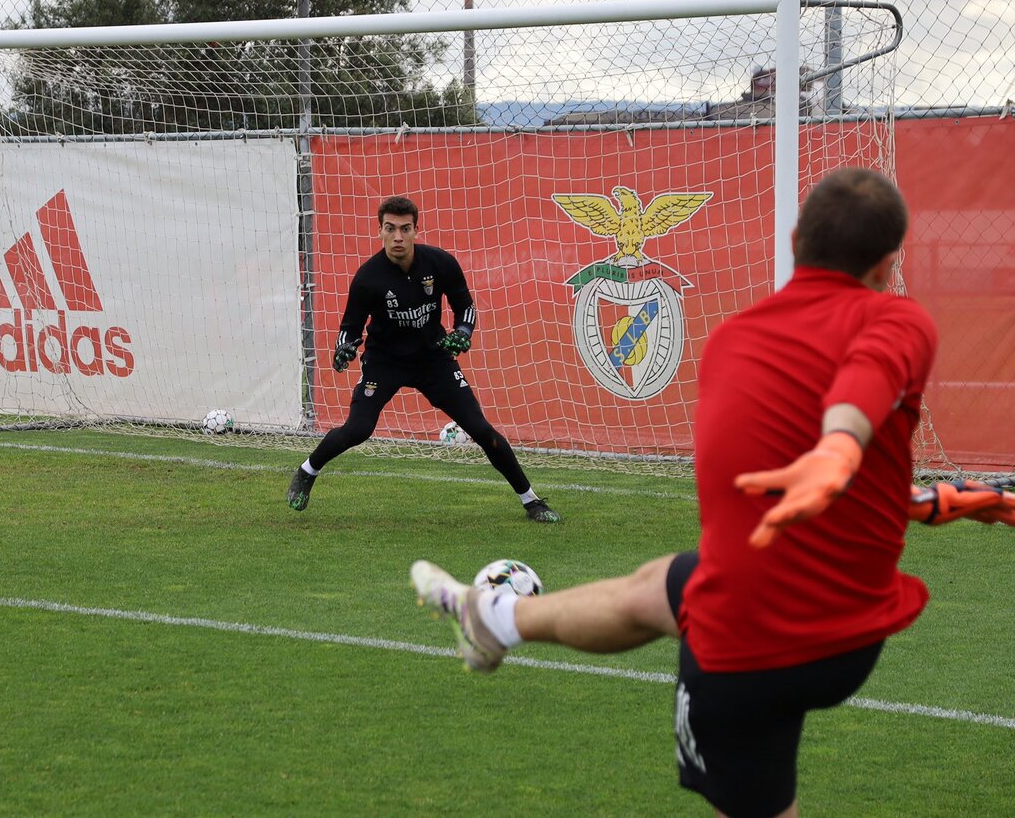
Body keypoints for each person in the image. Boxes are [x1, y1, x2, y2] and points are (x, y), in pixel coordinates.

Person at [410, 168, 1015, 818]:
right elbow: (868, 387)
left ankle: (492, 619)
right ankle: (493, 619)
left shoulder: (732, 341)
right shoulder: (904, 320)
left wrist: (838, 448)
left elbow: (861, 381)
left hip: (747, 650)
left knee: (699, 596)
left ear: (792, 242)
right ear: (889, 265)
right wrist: (933, 496)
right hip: (848, 639)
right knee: (660, 583)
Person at [286, 195, 560, 523]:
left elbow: (466, 308)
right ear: (380, 231)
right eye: (390, 229)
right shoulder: (367, 278)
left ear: (416, 229)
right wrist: (344, 349)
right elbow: (349, 330)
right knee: (358, 429)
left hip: (434, 359)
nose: (398, 236)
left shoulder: (440, 263)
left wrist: (463, 331)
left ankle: (532, 502)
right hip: (384, 361)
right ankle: (307, 471)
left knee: (480, 429)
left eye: (405, 229)